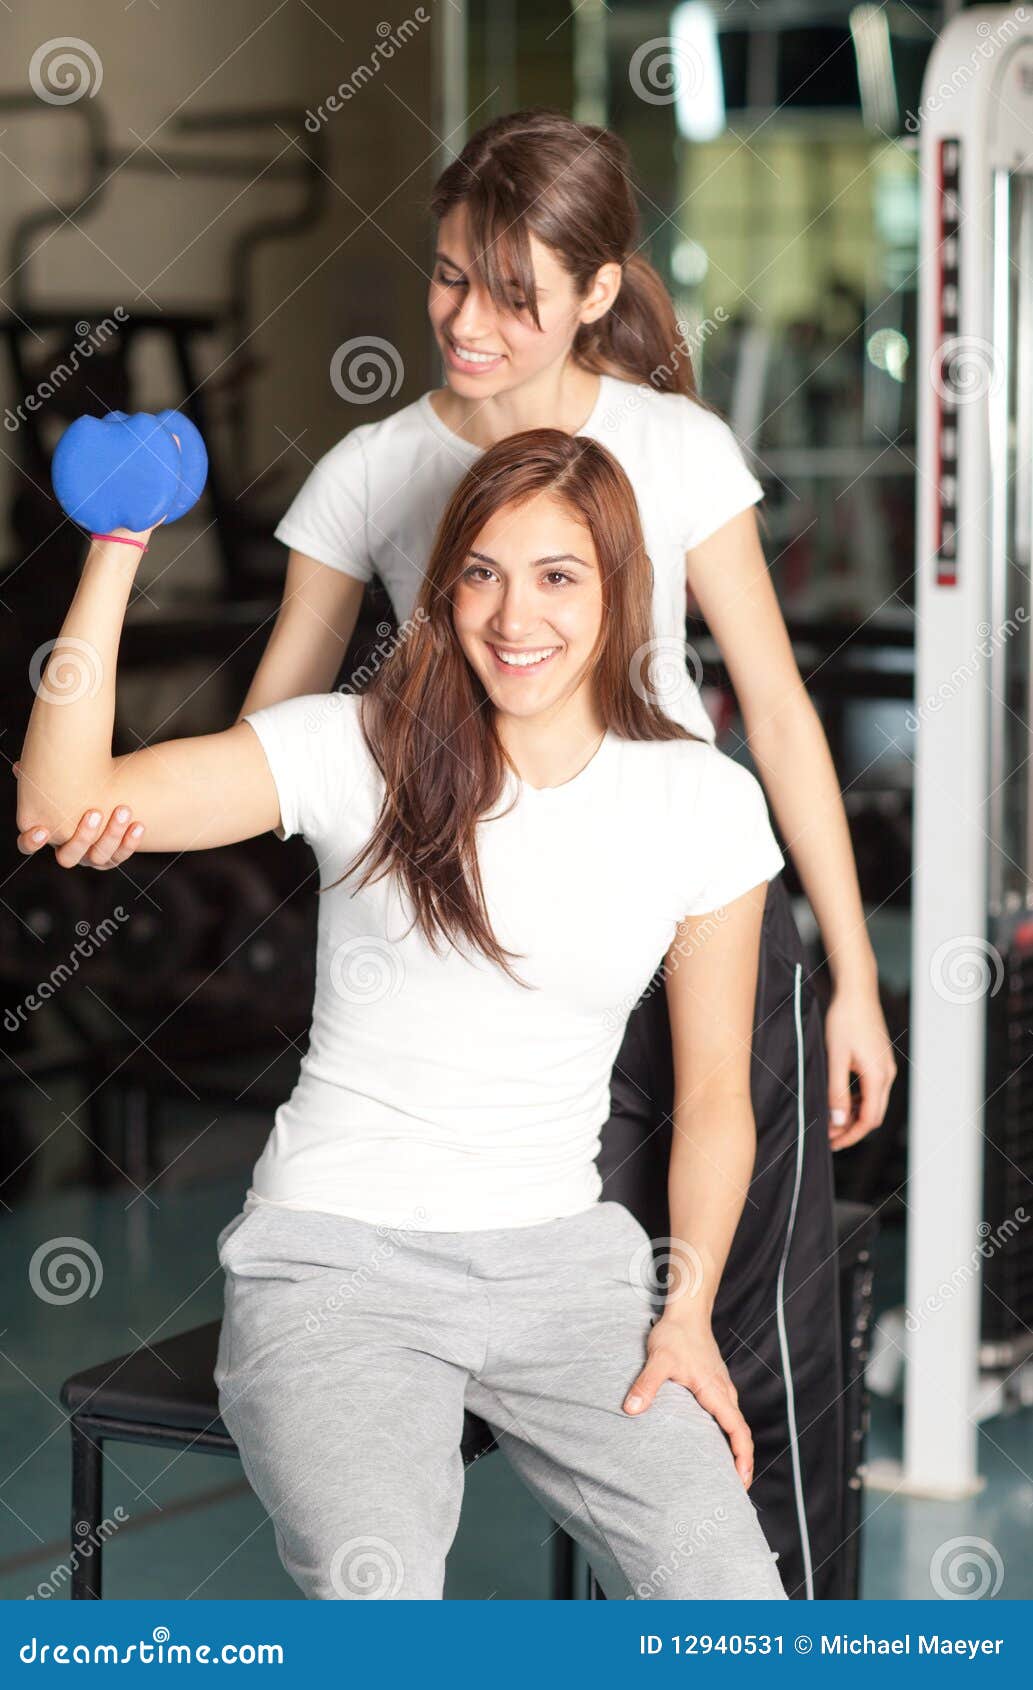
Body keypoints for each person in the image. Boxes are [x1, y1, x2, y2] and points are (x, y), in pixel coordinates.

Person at [16, 108, 896, 1599]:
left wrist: (857, 977)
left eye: (512, 290)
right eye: (447, 280)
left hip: (664, 932)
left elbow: (782, 724)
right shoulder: (373, 615)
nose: (468, 322)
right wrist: (173, 762)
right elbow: (266, 729)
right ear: (441, 587)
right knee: (385, 1567)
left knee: (732, 1365)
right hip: (408, 1048)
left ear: (598, 289)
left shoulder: (677, 521)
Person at [19, 427, 791, 1601]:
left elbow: (719, 1098)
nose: (511, 614)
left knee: (730, 1597)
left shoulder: (704, 804)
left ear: (621, 588)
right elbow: (62, 803)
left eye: (556, 575)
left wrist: (686, 1316)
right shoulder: (361, 748)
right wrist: (120, 542)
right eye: (479, 571)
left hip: (566, 1273)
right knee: (377, 1600)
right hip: (338, 1262)